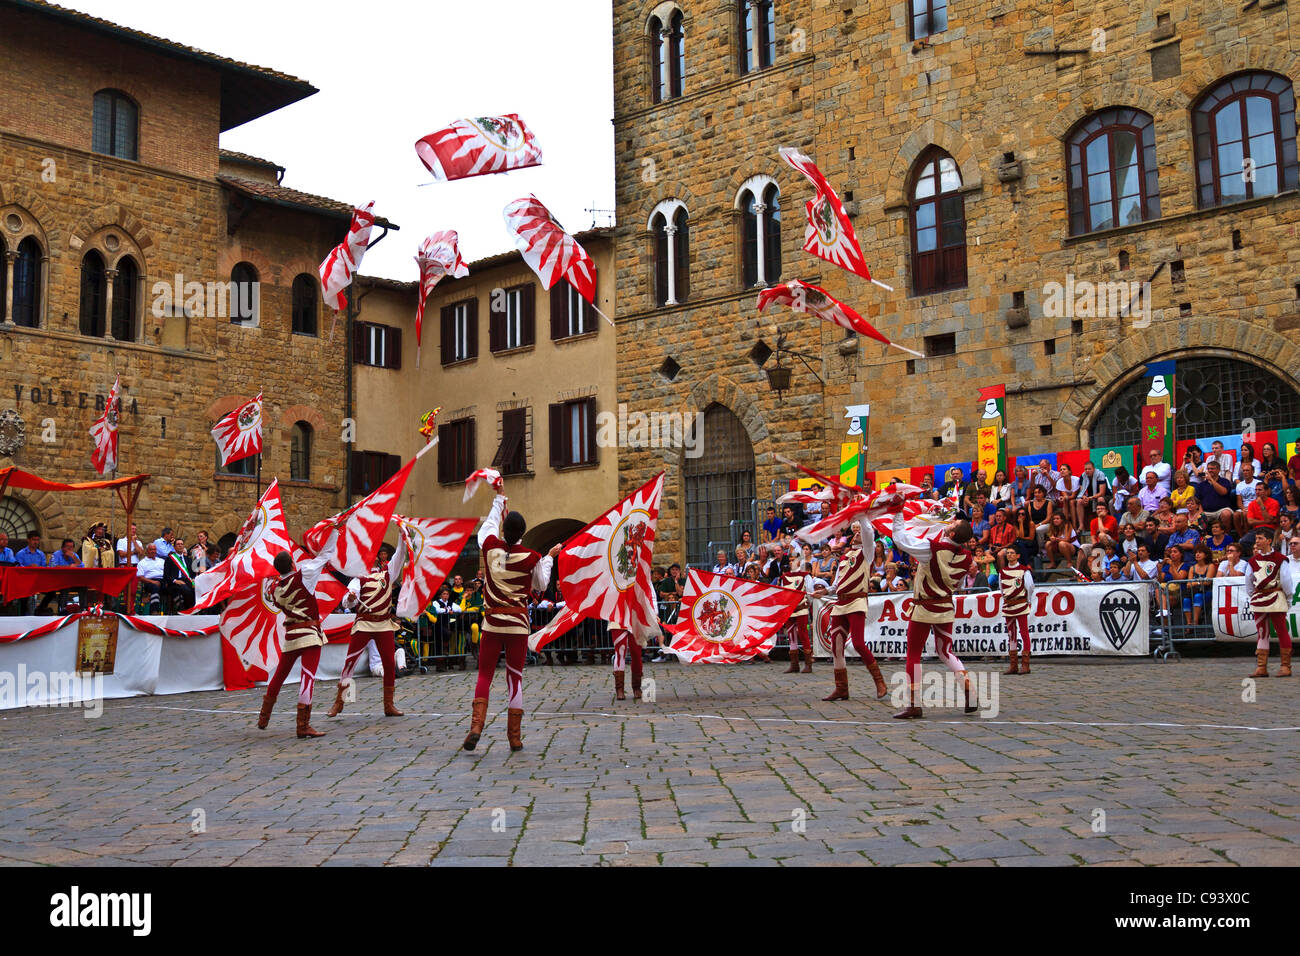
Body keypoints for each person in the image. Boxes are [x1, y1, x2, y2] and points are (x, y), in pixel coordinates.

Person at [462, 494, 559, 752]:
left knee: (484, 674)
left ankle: (476, 727)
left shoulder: (491, 548)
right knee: (514, 678)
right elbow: (541, 584)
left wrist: (497, 503)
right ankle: (514, 737)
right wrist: (548, 557)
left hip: (493, 622)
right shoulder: (531, 556)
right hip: (517, 623)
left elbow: (487, 529)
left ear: (504, 530)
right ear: (523, 533)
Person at [890, 512, 978, 719]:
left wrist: (898, 514)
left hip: (924, 607)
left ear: (952, 531)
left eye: (954, 522)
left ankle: (914, 703)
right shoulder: (965, 556)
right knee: (946, 651)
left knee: (913, 653)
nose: (950, 521)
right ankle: (970, 691)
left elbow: (901, 539)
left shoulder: (932, 549)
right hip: (945, 606)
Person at [329, 543, 408, 718]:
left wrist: (402, 536)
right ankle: (340, 702)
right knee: (350, 662)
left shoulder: (388, 573)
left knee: (388, 664)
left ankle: (389, 705)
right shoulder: (358, 578)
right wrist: (350, 598)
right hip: (364, 624)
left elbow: (400, 555)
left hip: (384, 624)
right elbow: (346, 602)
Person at [257, 550, 327, 738]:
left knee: (279, 675)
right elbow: (325, 554)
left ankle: (264, 717)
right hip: (309, 634)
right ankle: (303, 725)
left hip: (291, 634)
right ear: (292, 565)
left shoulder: (274, 589)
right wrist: (335, 530)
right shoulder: (304, 576)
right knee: (308, 677)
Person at [822, 515, 888, 701]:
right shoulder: (844, 557)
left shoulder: (867, 552)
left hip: (857, 601)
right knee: (836, 646)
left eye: (860, 530)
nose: (857, 532)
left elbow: (869, 532)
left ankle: (879, 681)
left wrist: (861, 516)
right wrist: (824, 590)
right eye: (855, 530)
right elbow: (837, 584)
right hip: (840, 603)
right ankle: (841, 688)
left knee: (858, 643)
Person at [1242, 531, 1294, 677]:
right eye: (1256, 538)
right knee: (1262, 633)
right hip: (1259, 598)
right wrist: (1254, 595)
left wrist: (1288, 597)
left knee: (1281, 630)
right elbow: (1249, 580)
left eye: (1260, 538)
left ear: (1269, 541)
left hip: (1276, 596)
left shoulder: (1280, 559)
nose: (1257, 541)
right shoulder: (1253, 561)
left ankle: (1285, 665)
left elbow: (1286, 580)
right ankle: (1261, 666)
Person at [780, 551, 823, 674]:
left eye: (794, 560)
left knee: (803, 634)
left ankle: (808, 663)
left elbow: (809, 591)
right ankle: (794, 664)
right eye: (790, 560)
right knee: (791, 635)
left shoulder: (806, 576)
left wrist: (806, 604)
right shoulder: (785, 576)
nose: (791, 562)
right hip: (790, 609)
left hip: (801, 608)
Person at [997, 546, 1034, 674]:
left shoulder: (1024, 570)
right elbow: (1002, 589)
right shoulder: (1002, 572)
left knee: (1024, 633)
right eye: (1008, 553)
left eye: (1012, 553)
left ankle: (1025, 664)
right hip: (1008, 605)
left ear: (1018, 555)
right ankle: (1013, 664)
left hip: (1021, 604)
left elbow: (1029, 586)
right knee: (1011, 634)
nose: (1009, 555)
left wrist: (1028, 601)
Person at [163, 537, 196, 610]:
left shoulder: (188, 560)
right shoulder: (169, 559)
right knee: (185, 589)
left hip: (187, 580)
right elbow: (166, 575)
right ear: (174, 547)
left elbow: (192, 574)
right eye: (178, 544)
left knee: (197, 588)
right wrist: (175, 580)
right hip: (175, 582)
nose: (180, 545)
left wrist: (193, 579)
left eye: (181, 544)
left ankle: (195, 609)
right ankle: (188, 609)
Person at [135, 543, 165, 612]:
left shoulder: (161, 561)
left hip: (162, 580)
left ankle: (176, 610)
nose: (153, 551)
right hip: (149, 581)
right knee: (155, 587)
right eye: (151, 549)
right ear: (147, 551)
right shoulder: (142, 563)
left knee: (173, 586)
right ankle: (154, 610)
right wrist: (153, 582)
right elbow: (140, 577)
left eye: (154, 549)